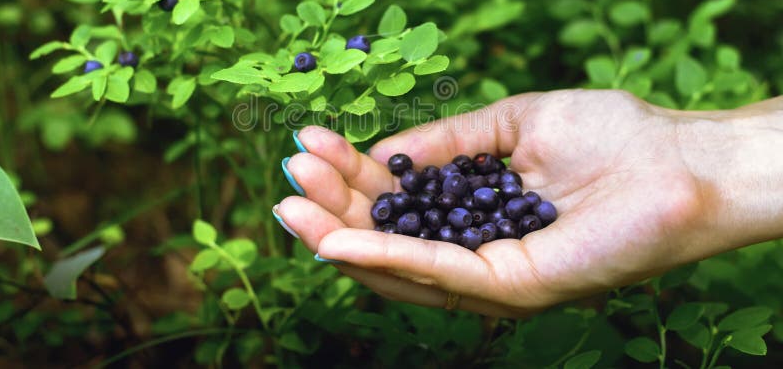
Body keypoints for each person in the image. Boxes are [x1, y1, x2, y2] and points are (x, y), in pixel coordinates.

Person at [273, 89, 783, 317]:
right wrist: (704, 162)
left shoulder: (488, 203)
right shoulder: (446, 199)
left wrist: (700, 168)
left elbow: (474, 212)